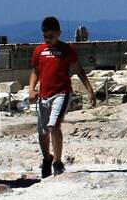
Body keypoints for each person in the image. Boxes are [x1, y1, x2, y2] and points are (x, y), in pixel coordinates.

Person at [28, 16, 95, 179]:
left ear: (58, 33)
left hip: (61, 92)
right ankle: (47, 158)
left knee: (53, 125)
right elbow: (35, 72)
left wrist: (90, 91)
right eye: (45, 36)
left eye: (51, 36)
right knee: (43, 131)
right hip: (44, 95)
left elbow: (79, 70)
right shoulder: (39, 51)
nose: (48, 39)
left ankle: (57, 162)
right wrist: (31, 90)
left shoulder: (67, 49)